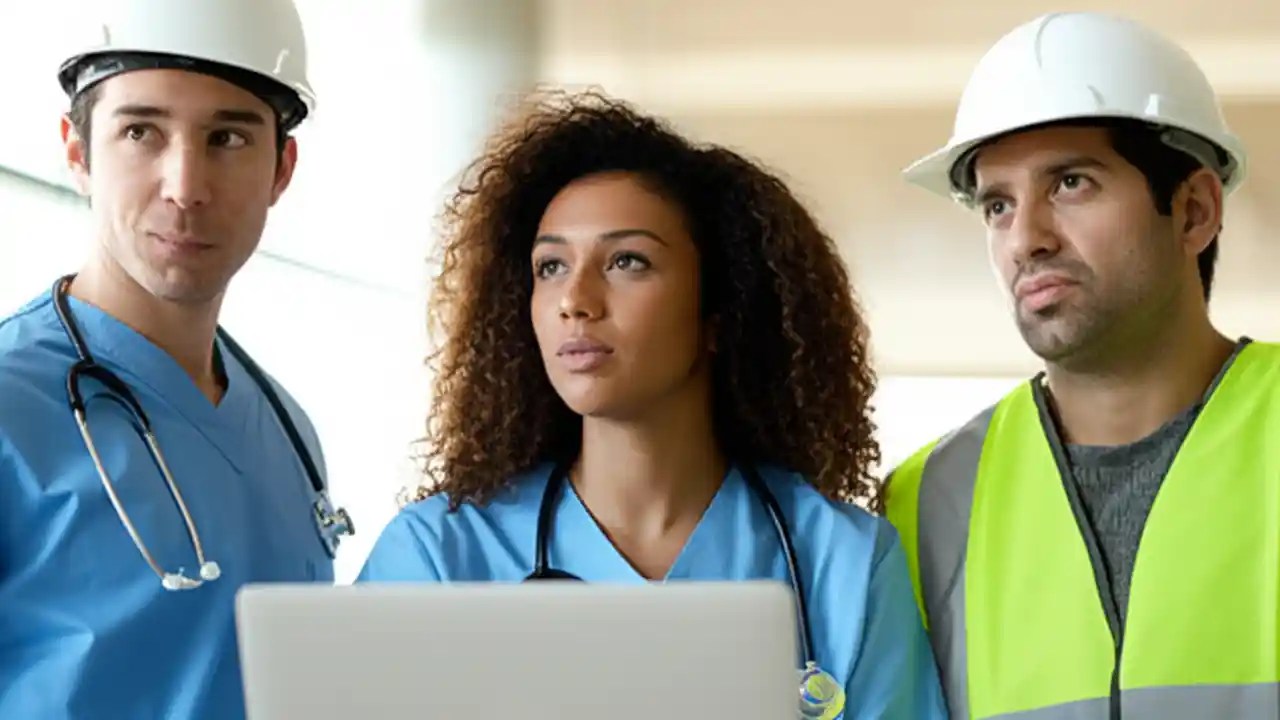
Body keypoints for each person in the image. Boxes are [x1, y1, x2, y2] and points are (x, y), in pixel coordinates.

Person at [356, 89, 948, 718]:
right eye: (551, 266)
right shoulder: (436, 557)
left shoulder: (845, 564)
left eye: (626, 261)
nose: (575, 300)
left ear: (718, 312)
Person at [886, 11, 1277, 720]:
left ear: (1193, 212)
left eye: (1070, 184)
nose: (1025, 239)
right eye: (997, 205)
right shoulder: (927, 503)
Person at [0, 1, 354, 718]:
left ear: (281, 169)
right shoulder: (11, 409)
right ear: (77, 151)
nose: (186, 186)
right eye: (141, 131)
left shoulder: (288, 431)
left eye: (227, 137)